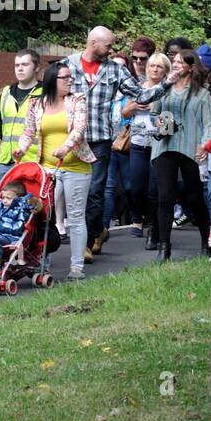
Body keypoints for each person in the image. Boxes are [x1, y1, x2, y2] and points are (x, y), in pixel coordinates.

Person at [65, 26, 176, 261]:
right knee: (72, 193)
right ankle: (97, 231)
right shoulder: (67, 65)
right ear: (93, 43)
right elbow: (50, 97)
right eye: (108, 45)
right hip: (70, 139)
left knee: (95, 192)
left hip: (100, 141)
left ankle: (85, 243)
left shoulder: (115, 70)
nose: (111, 49)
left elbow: (140, 95)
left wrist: (167, 84)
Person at [15, 62, 97, 280]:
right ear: (53, 80)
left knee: (76, 217)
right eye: (65, 78)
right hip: (48, 168)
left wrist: (65, 147)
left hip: (76, 167)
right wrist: (21, 149)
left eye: (71, 77)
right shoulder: (37, 104)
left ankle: (76, 267)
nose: (70, 81)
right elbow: (28, 131)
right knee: (45, 217)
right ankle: (43, 263)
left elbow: (79, 129)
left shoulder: (76, 100)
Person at [148, 49, 211, 261]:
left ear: (191, 67)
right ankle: (164, 248)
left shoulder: (201, 94)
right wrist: (159, 121)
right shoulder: (164, 88)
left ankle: (207, 240)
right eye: (173, 61)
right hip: (165, 146)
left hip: (190, 147)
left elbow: (208, 124)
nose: (175, 64)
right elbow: (153, 112)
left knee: (194, 197)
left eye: (179, 62)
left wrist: (204, 145)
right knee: (165, 196)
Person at [126, 52, 169, 245]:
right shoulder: (138, 88)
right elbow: (124, 111)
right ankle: (139, 218)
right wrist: (137, 104)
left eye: (159, 66)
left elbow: (168, 126)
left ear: (166, 71)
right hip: (137, 143)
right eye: (152, 65)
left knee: (154, 190)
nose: (155, 69)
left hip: (159, 146)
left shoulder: (169, 92)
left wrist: (153, 107)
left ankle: (153, 228)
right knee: (136, 188)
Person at [0, 49, 43, 183]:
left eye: (25, 65)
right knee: (2, 201)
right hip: (6, 160)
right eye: (17, 65)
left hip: (32, 159)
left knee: (31, 202)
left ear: (37, 67)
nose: (20, 69)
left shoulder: (44, 93)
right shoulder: (6, 92)